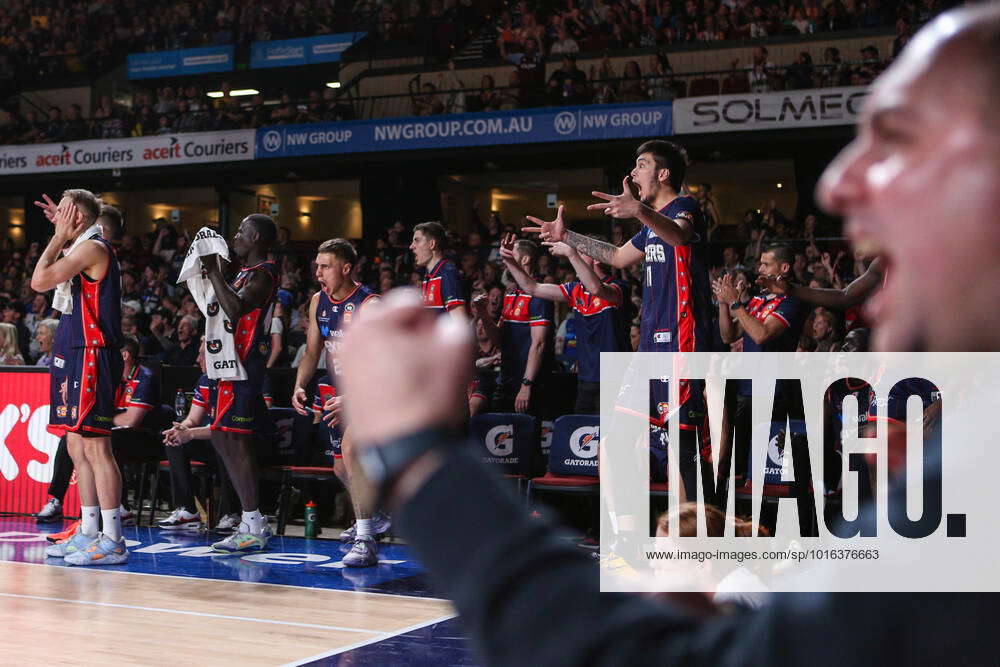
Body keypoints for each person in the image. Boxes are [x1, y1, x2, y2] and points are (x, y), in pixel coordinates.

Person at [336, 7, 1000, 665]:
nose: (839, 181)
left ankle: (693, 545)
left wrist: (421, 456)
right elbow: (617, 263)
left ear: (663, 174)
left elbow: (677, 238)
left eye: (900, 136)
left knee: (685, 461)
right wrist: (571, 242)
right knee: (627, 448)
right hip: (647, 350)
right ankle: (639, 545)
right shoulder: (647, 223)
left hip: (684, 349)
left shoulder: (682, 211)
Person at [31, 189, 129, 565]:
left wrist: (59, 236)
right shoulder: (82, 245)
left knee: (97, 447)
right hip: (73, 352)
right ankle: (89, 530)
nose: (58, 218)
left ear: (80, 219)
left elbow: (39, 281)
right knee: (76, 445)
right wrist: (65, 228)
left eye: (65, 211)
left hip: (93, 355)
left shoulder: (93, 248)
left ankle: (113, 539)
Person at [290, 238, 386, 567]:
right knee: (341, 467)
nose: (318, 272)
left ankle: (365, 539)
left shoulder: (370, 304)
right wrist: (299, 385)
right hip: (336, 393)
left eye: (325, 266)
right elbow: (313, 352)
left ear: (346, 268)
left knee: (350, 449)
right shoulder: (319, 301)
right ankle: (377, 514)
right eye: (316, 266)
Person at [200, 214, 279, 553]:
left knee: (238, 441)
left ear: (257, 236)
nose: (235, 236)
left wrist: (214, 271)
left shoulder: (265, 273)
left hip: (246, 368)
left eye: (241, 231)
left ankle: (254, 522)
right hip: (229, 364)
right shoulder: (246, 273)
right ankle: (248, 518)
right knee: (219, 434)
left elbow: (234, 309)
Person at [490, 234, 628, 414]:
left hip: (616, 379)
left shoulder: (619, 287)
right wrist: (510, 261)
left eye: (581, 253)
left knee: (620, 440)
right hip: (585, 379)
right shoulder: (575, 290)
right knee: (585, 439)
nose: (575, 258)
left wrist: (571, 254)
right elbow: (532, 288)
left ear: (596, 257)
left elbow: (596, 289)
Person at [160, 339, 240, 532]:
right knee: (174, 442)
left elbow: (225, 429)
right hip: (211, 440)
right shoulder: (204, 381)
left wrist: (191, 434)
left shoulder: (234, 381)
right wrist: (181, 429)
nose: (198, 359)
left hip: (240, 444)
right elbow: (193, 419)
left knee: (223, 444)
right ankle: (188, 510)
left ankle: (233, 514)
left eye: (202, 355)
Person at [479, 237, 553, 415]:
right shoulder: (511, 294)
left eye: (512, 252)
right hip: (506, 381)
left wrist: (526, 385)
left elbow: (539, 344)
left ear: (525, 259)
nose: (505, 257)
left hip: (528, 385)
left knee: (525, 440)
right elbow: (499, 340)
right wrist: (483, 313)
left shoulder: (540, 293)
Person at [410, 221, 468, 320]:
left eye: (417, 240)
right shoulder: (428, 275)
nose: (411, 246)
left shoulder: (447, 273)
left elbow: (460, 323)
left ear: (432, 244)